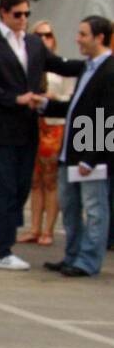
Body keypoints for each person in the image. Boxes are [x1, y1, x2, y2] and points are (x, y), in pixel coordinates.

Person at [0, 0, 76, 270]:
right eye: (18, 14)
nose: (23, 19)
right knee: (5, 186)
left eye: (27, 14)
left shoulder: (33, 43)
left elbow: (58, 65)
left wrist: (94, 63)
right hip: (1, 126)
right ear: (4, 12)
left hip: (27, 127)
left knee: (19, 188)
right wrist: (14, 99)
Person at [40, 15, 114, 278]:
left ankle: (88, 261)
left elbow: (108, 117)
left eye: (83, 34)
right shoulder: (88, 68)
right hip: (71, 150)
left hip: (90, 152)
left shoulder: (109, 70)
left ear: (99, 37)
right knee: (69, 206)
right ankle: (72, 255)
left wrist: (92, 158)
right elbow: (75, 106)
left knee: (94, 209)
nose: (78, 39)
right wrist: (45, 105)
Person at [17, 21, 73, 247]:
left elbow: (70, 98)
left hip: (55, 126)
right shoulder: (28, 65)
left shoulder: (62, 67)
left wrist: (50, 97)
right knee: (35, 180)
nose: (43, 39)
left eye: (48, 35)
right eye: (38, 35)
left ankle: (48, 229)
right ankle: (34, 227)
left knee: (51, 181)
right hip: (33, 125)